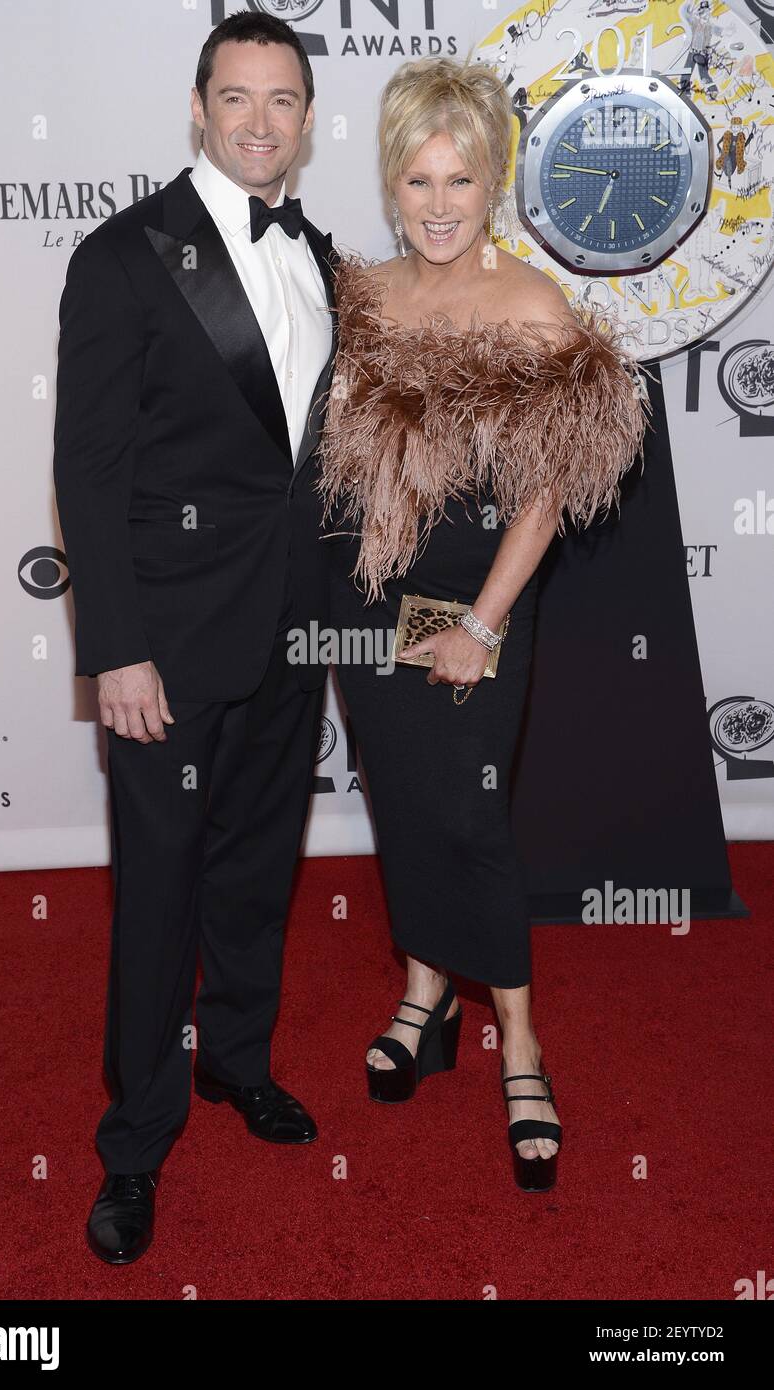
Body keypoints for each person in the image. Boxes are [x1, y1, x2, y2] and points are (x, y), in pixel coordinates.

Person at [318, 56, 652, 1193]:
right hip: (370, 601)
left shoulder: (528, 305)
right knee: (404, 804)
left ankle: (520, 1039)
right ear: (389, 181)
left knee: (470, 821)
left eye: (460, 178)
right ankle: (423, 996)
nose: (439, 203)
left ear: (495, 179)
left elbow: (551, 489)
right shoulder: (364, 292)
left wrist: (482, 623)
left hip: (473, 601)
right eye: (417, 179)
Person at [53, 10, 336, 1263]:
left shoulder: (321, 254)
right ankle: (133, 1143)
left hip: (291, 635)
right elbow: (89, 466)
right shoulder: (122, 257)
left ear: (307, 117)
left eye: (283, 100)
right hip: (165, 646)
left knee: (255, 872)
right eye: (238, 98)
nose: (260, 122)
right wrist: (114, 648)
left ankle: (235, 1061)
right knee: (157, 895)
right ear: (198, 106)